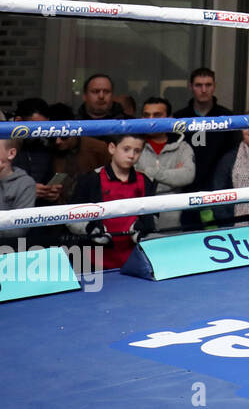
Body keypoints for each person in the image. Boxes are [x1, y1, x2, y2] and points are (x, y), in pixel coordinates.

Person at [69, 134, 156, 269]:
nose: (131, 155)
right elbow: (70, 216)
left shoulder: (145, 181)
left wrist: (144, 229)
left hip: (134, 259)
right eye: (126, 149)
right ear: (112, 148)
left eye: (137, 151)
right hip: (94, 260)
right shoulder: (91, 179)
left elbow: (154, 217)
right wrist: (90, 229)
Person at [134, 96, 196, 232]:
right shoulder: (131, 145)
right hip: (137, 217)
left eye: (157, 115)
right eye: (146, 115)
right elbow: (129, 179)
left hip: (172, 222)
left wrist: (149, 172)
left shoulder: (183, 147)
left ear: (169, 118)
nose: (151, 120)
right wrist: (171, 179)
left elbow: (187, 176)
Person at [174, 67, 238, 194]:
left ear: (214, 87)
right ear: (190, 86)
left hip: (219, 186)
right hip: (184, 187)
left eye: (208, 85)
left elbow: (233, 154)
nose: (203, 90)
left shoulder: (227, 117)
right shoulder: (179, 118)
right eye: (199, 85)